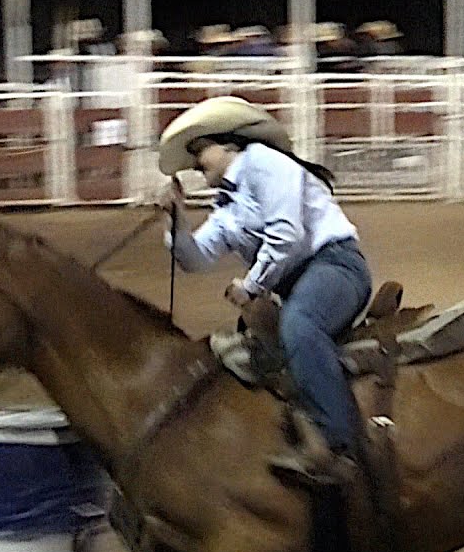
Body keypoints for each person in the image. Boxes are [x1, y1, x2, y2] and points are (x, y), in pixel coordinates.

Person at [157, 96, 373, 484]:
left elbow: (287, 235)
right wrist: (177, 220)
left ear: (228, 144)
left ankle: (337, 445)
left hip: (335, 266)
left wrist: (252, 285)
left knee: (299, 324)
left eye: (200, 150)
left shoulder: (264, 162)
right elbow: (195, 259)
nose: (194, 163)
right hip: (299, 280)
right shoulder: (228, 207)